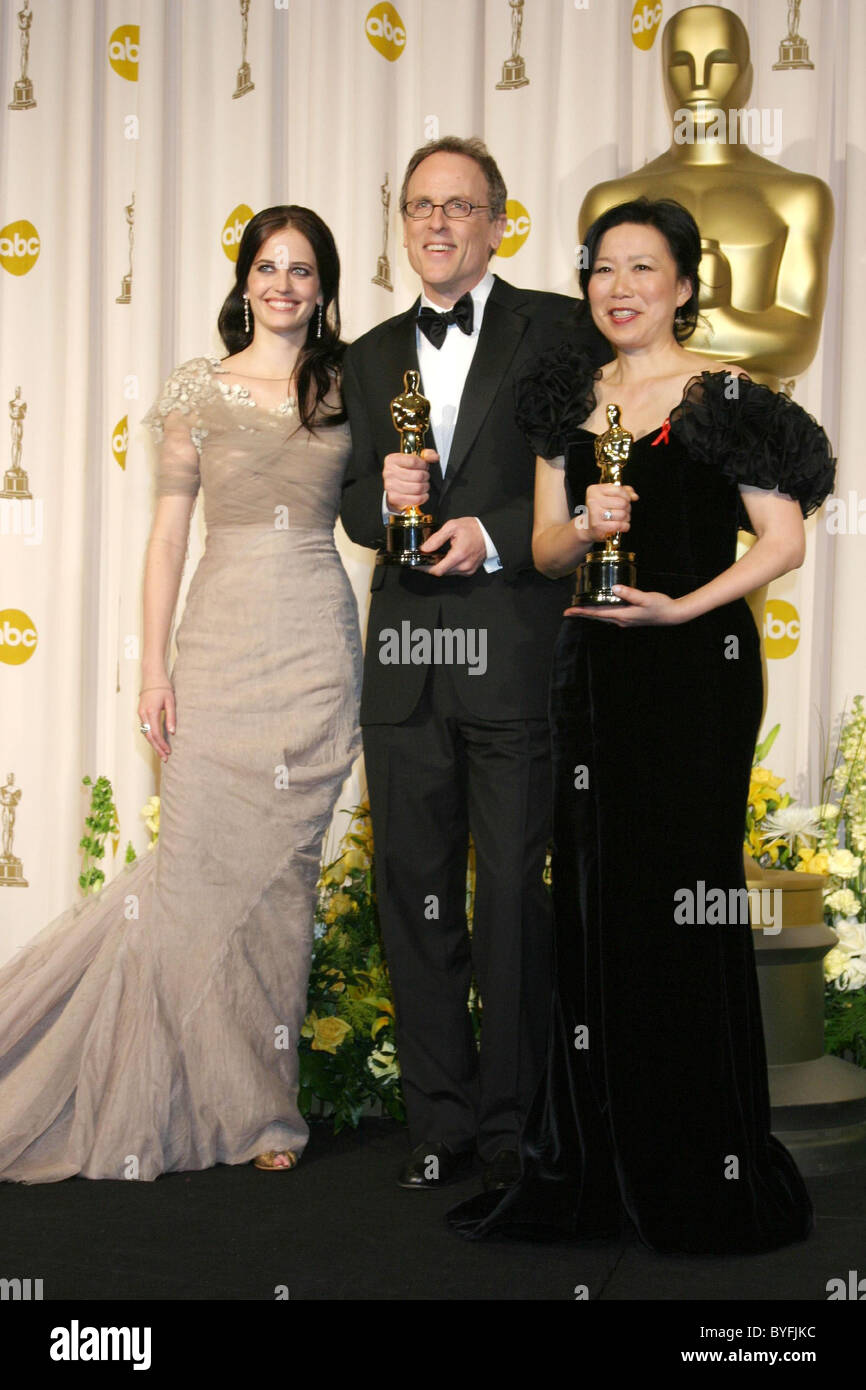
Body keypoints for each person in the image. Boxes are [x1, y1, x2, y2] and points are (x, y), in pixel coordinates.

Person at [447, 196, 834, 1254]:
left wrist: (683, 604)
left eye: (641, 269)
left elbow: (781, 540)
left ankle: (697, 1160)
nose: (617, 288)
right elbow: (536, 548)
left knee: (679, 911)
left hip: (692, 677)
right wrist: (583, 523)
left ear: (681, 284)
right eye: (601, 269)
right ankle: (596, 1162)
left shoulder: (722, 397)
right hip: (591, 679)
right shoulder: (562, 397)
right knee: (593, 905)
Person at [0, 206, 361, 1182]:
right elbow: (168, 539)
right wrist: (152, 665)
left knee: (279, 880)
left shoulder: (349, 385)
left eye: (301, 269)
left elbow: (378, 509)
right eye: (266, 266)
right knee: (197, 875)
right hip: (218, 640)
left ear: (323, 287)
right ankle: (213, 1103)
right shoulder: (195, 390)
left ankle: (263, 1112)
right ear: (242, 281)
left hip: (314, 647)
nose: (283, 284)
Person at [340, 136, 609, 1191]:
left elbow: (586, 463)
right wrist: (388, 502)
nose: (438, 225)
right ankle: (440, 1127)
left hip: (511, 644)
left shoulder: (555, 323)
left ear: (498, 221)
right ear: (401, 224)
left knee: (507, 897)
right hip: (403, 660)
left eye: (459, 207)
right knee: (414, 896)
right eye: (419, 208)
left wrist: (490, 530)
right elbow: (354, 497)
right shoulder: (365, 354)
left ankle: (515, 1130)